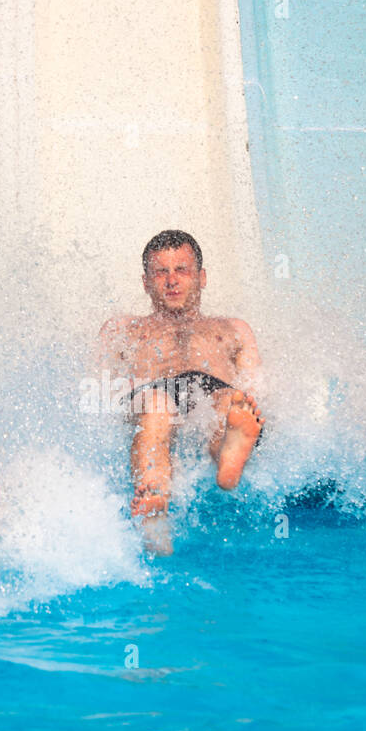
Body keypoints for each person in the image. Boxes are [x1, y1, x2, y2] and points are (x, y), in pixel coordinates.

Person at [98, 230, 265, 553]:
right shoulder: (122, 329)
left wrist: (252, 411)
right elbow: (101, 390)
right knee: (158, 407)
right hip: (152, 394)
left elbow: (257, 389)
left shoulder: (233, 328)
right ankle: (153, 499)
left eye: (182, 270)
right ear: (146, 282)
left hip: (215, 392)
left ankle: (227, 452)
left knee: (232, 403)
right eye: (161, 272)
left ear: (202, 278)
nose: (172, 280)